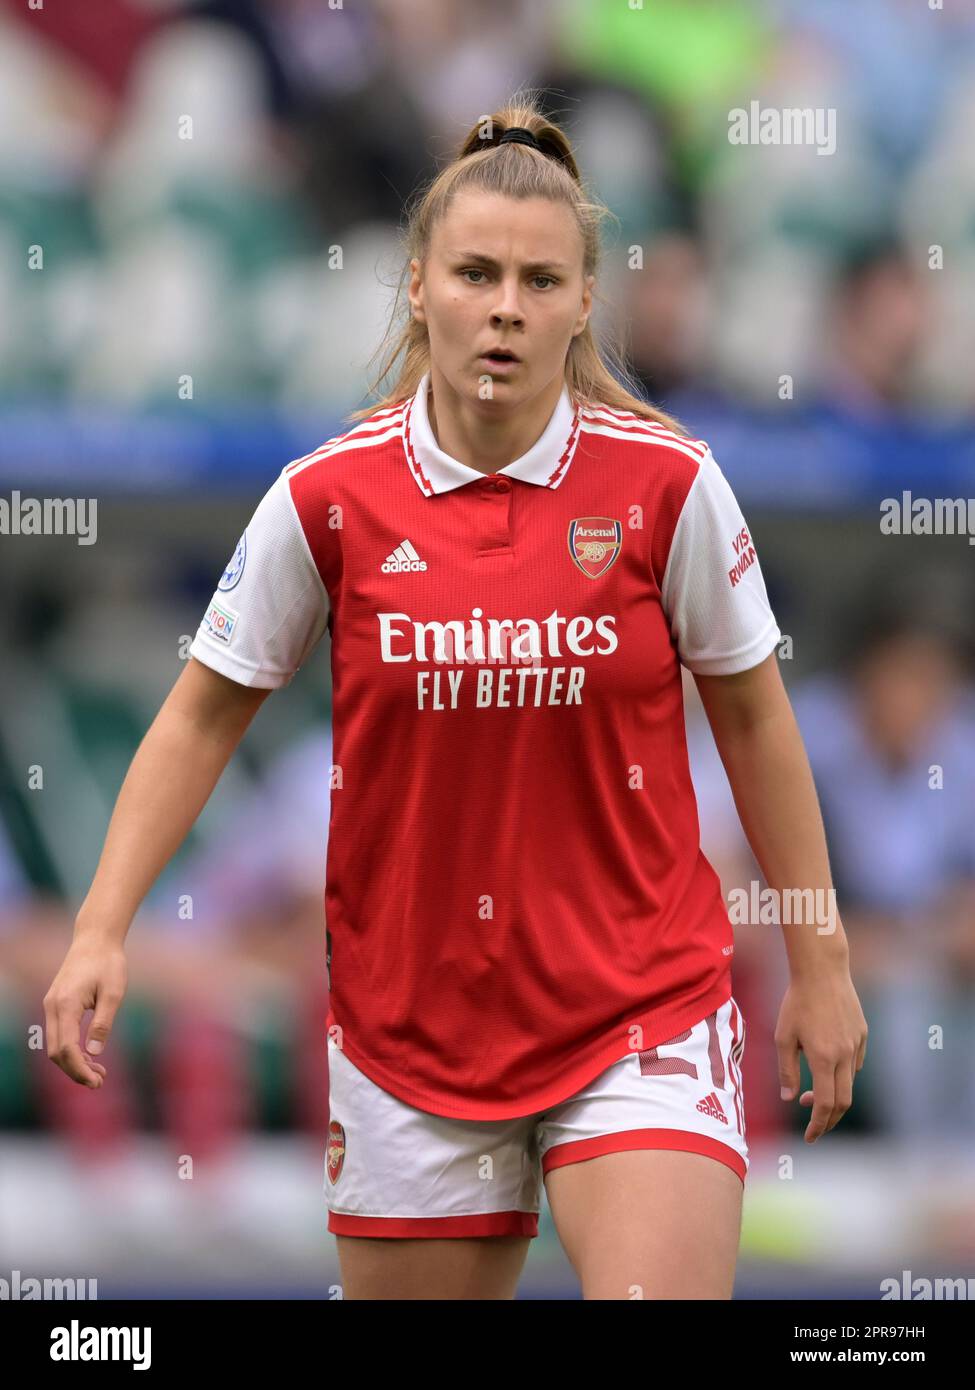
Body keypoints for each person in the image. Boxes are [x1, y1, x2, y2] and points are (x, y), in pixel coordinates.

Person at [43, 95, 867, 1301]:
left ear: (585, 301)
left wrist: (822, 957)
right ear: (418, 284)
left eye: (541, 281)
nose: (506, 307)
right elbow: (202, 712)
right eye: (476, 273)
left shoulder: (668, 484)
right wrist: (102, 925)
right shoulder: (326, 499)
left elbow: (755, 720)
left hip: (640, 1007)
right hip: (411, 1030)